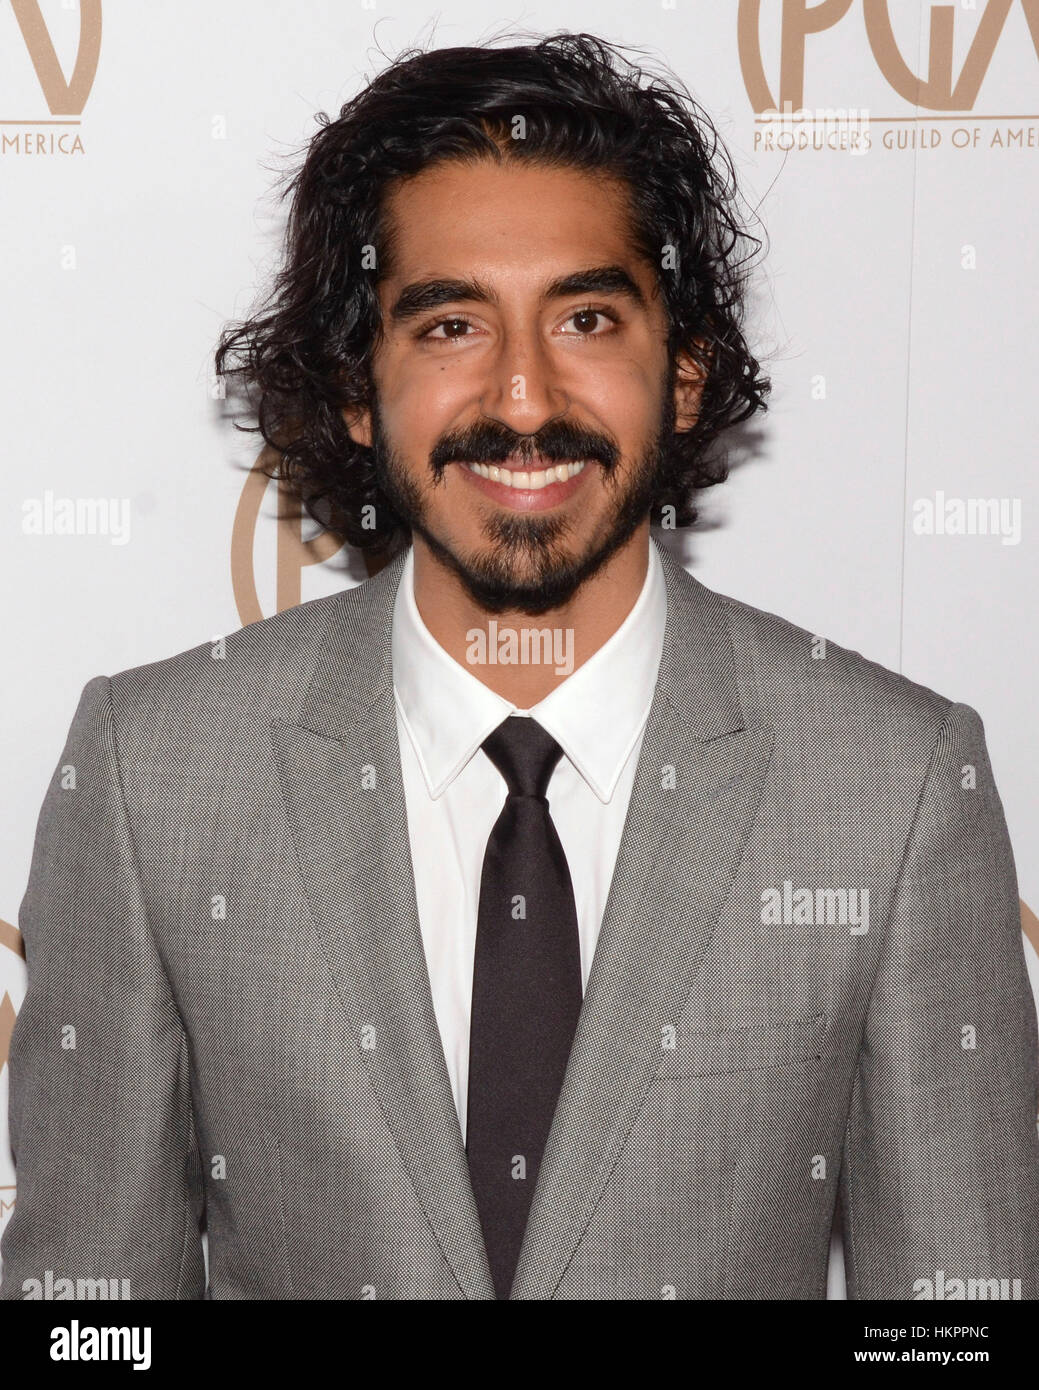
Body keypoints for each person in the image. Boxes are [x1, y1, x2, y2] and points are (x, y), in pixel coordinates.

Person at [3, 33, 1037, 1301]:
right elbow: (84, 1322)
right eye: (448, 324)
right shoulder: (152, 774)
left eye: (588, 317)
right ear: (352, 391)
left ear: (687, 371)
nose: (525, 395)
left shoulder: (894, 787)